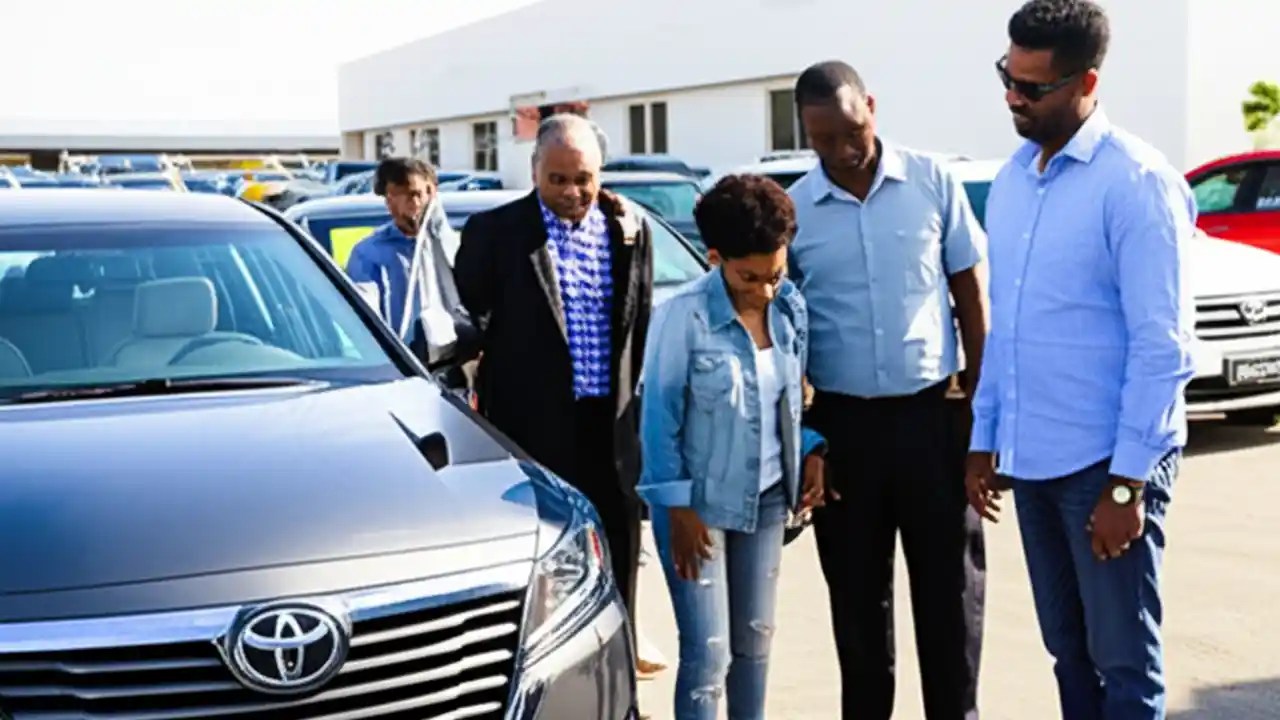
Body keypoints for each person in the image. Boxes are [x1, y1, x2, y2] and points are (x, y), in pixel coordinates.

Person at [965, 3, 1195, 719]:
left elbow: (1163, 347)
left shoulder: (1137, 182)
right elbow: (1006, 330)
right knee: (1067, 653)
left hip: (1106, 466)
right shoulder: (1010, 183)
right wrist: (982, 440)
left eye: (1032, 87)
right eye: (1008, 76)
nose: (1012, 96)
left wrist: (1126, 488)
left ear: (1087, 81)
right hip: (1032, 464)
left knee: (1124, 665)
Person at [787, 60, 990, 719]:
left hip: (933, 422)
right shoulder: (795, 211)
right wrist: (806, 441)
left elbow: (969, 293)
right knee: (857, 605)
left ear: (871, 106)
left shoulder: (932, 181)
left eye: (852, 130)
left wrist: (982, 418)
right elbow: (785, 330)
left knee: (951, 603)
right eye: (823, 140)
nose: (843, 151)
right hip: (844, 433)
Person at [453, 113, 660, 675]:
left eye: (584, 178)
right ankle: (542, 674)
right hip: (534, 432)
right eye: (559, 179)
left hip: (610, 428)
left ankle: (619, 666)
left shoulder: (628, 232)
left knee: (618, 552)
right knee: (544, 560)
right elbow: (466, 322)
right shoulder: (495, 234)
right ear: (534, 171)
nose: (573, 192)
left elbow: (637, 328)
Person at [638, 174, 827, 720]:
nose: (767, 289)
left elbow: (786, 402)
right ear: (715, 257)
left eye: (777, 273)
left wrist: (811, 448)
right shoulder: (682, 317)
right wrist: (677, 507)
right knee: (708, 654)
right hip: (696, 506)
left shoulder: (791, 308)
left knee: (756, 644)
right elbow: (658, 423)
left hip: (767, 499)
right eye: (751, 276)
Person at [346, 157, 470, 366]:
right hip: (401, 364)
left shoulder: (449, 244)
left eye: (415, 195)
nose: (410, 206)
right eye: (396, 197)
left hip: (454, 361)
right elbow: (363, 315)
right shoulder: (370, 253)